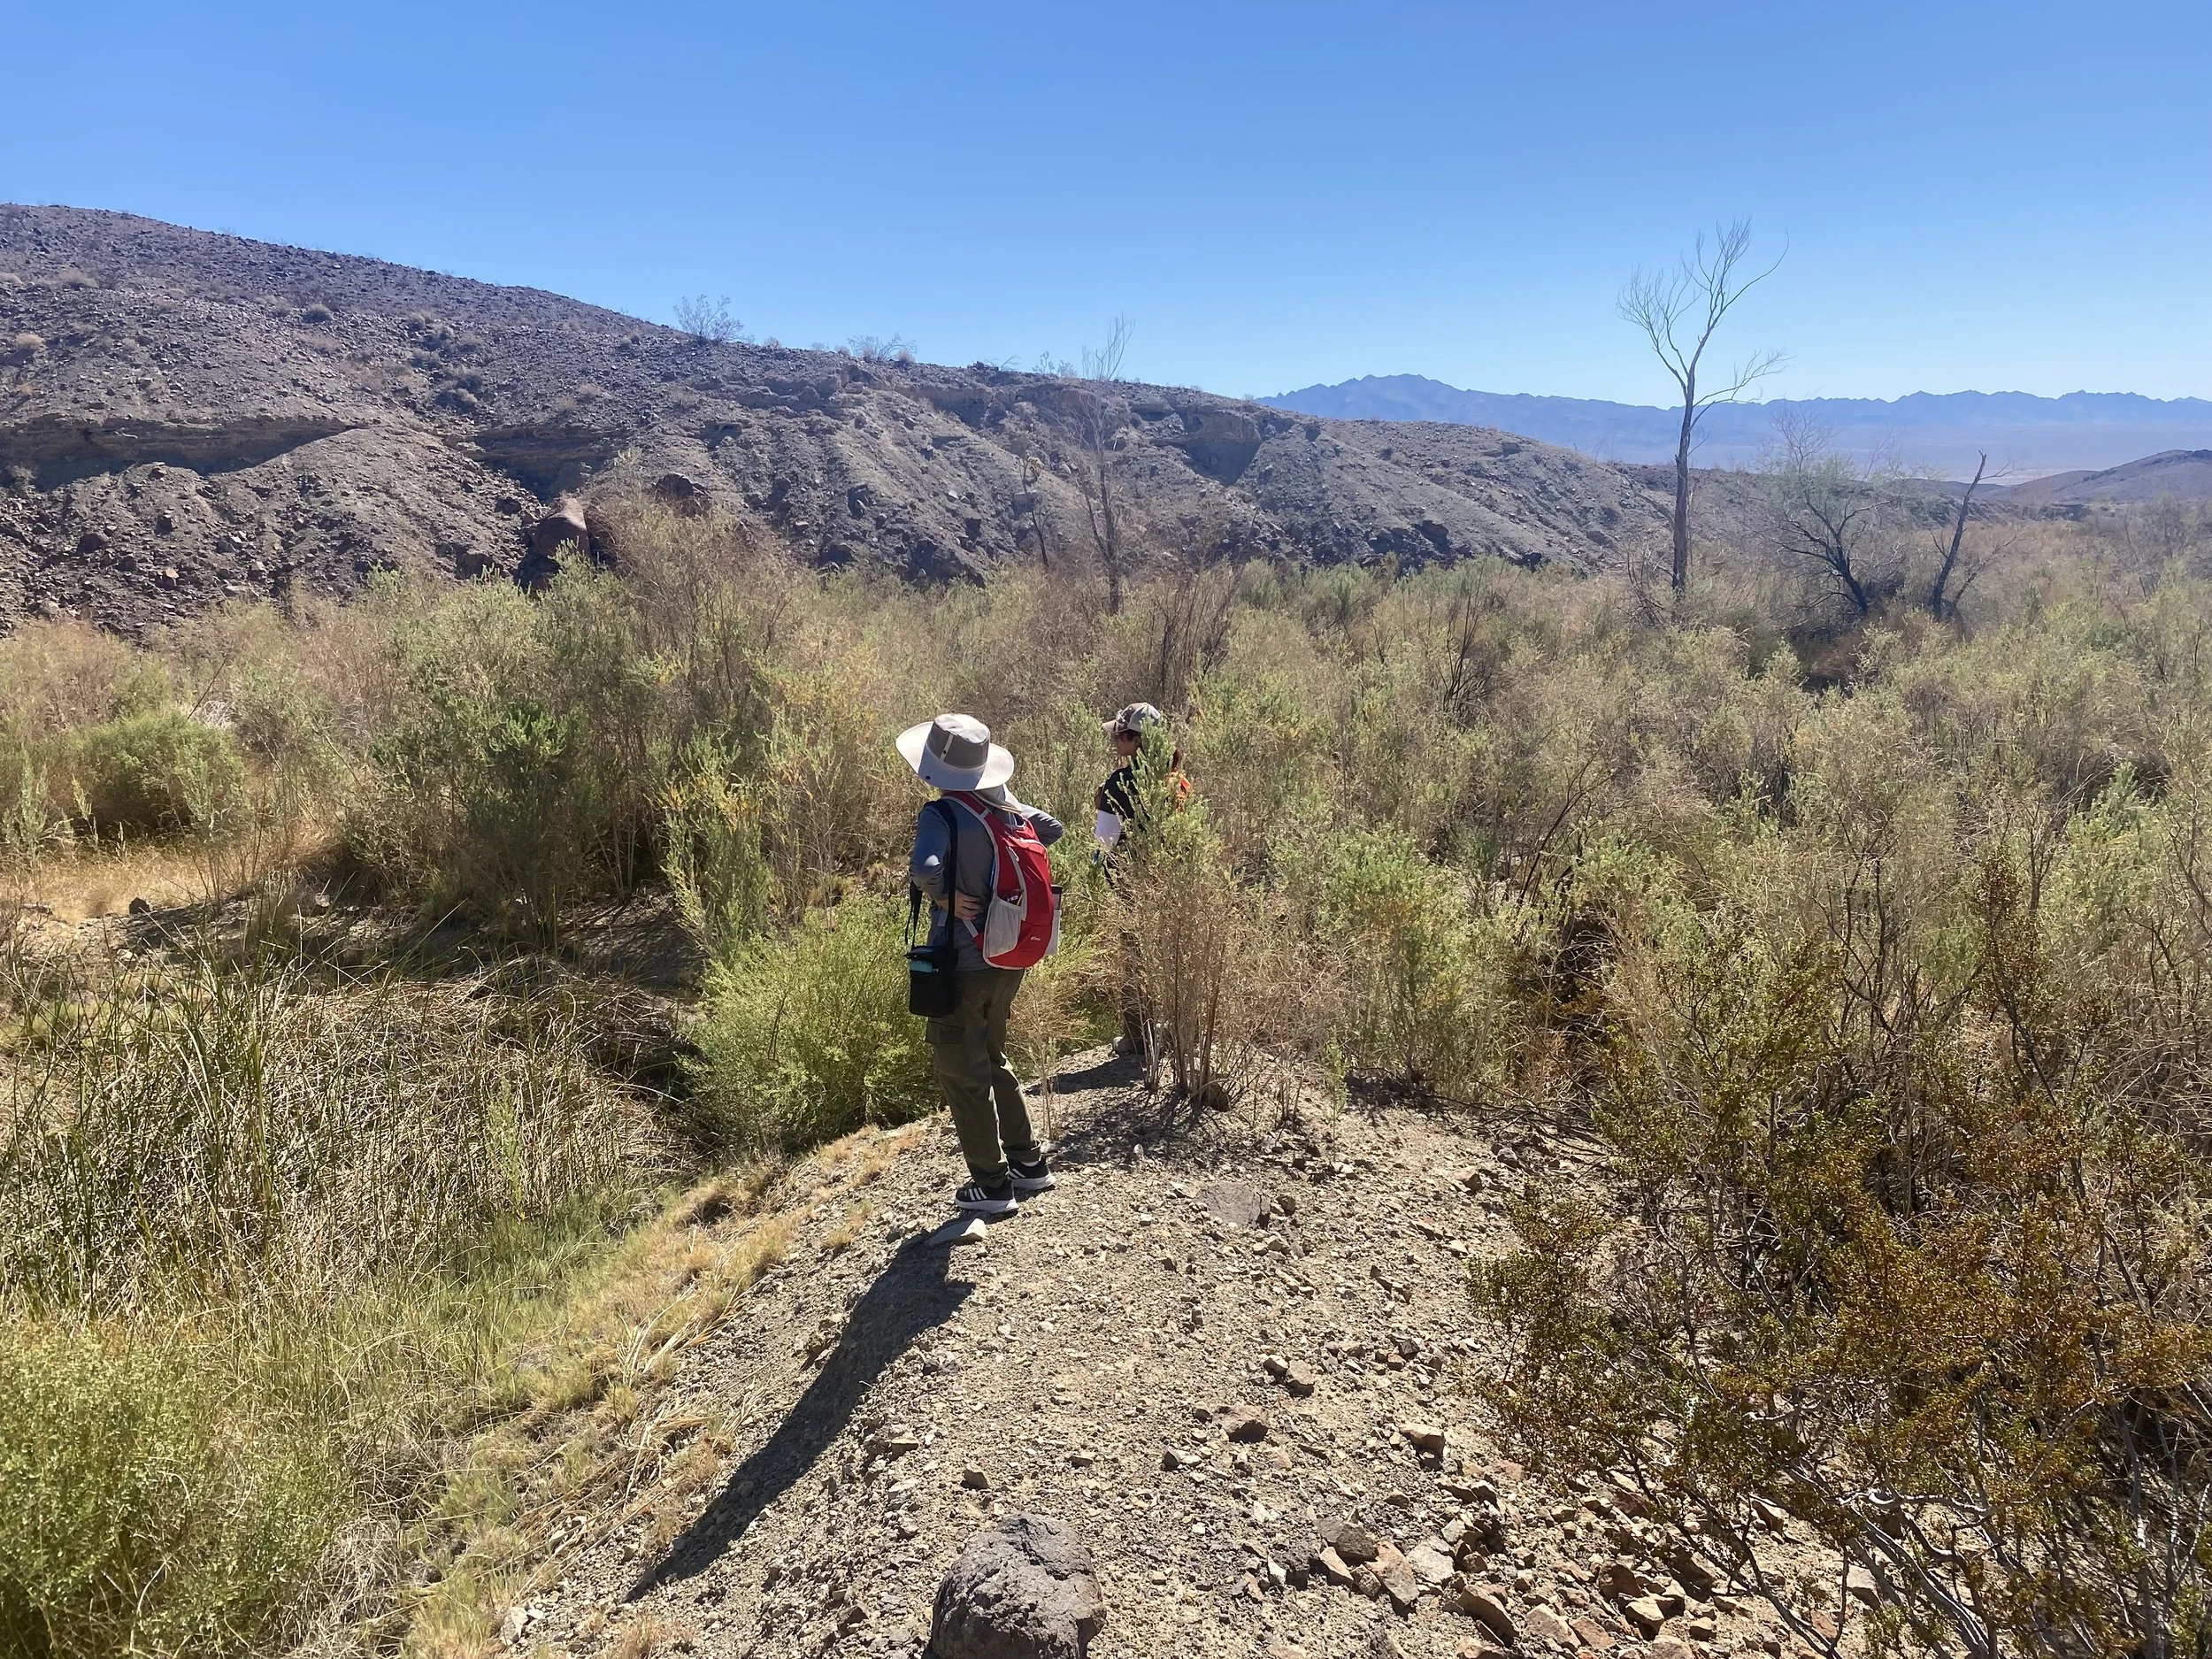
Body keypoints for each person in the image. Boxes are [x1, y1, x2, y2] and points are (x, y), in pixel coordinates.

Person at [899, 713, 1065, 1217]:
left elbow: (925, 870)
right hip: (1009, 955)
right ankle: (1028, 1164)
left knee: (960, 1068)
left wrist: (949, 901)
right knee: (992, 1057)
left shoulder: (941, 815)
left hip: (963, 962)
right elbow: (1052, 829)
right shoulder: (1006, 810)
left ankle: (992, 1185)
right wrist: (1006, 810)